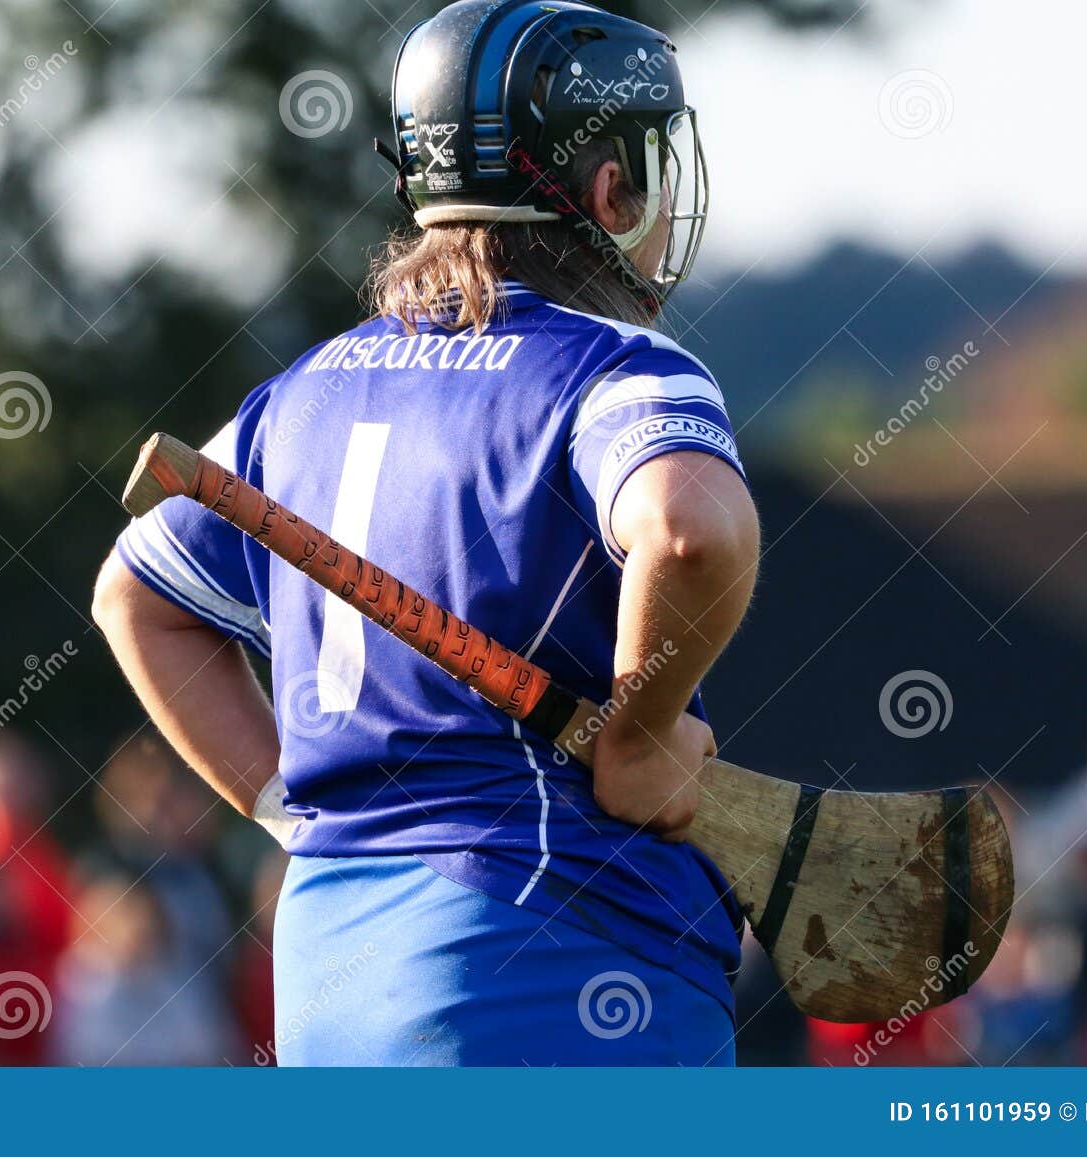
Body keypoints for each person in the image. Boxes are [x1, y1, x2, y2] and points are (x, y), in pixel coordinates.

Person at [95, 0, 759, 1065]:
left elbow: (135, 598)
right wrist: (639, 737)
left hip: (326, 977)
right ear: (606, 190)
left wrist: (289, 808)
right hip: (556, 963)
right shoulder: (613, 369)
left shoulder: (298, 393)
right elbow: (689, 532)